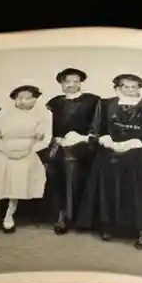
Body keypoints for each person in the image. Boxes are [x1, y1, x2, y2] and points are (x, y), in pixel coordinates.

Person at [76, 73, 142, 250]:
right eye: (126, 86)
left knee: (141, 191)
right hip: (111, 152)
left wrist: (132, 143)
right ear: (117, 88)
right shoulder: (106, 104)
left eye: (135, 87)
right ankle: (109, 226)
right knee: (109, 187)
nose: (131, 90)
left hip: (140, 154)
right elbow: (97, 128)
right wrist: (107, 141)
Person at [0, 85, 51, 234]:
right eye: (20, 98)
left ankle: (9, 216)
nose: (24, 101)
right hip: (3, 150)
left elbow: (44, 139)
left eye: (28, 98)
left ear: (35, 99)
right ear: (14, 99)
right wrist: (2, 149)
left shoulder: (42, 115)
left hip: (27, 153)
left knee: (18, 175)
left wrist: (28, 150)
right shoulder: (2, 115)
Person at [45, 67, 102, 235]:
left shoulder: (92, 100)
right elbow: (47, 125)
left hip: (83, 147)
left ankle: (74, 217)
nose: (71, 85)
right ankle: (61, 213)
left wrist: (83, 139)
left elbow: (96, 126)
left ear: (80, 83)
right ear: (61, 83)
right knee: (54, 173)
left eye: (75, 81)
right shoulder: (54, 102)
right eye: (67, 81)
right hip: (58, 146)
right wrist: (55, 139)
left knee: (72, 170)